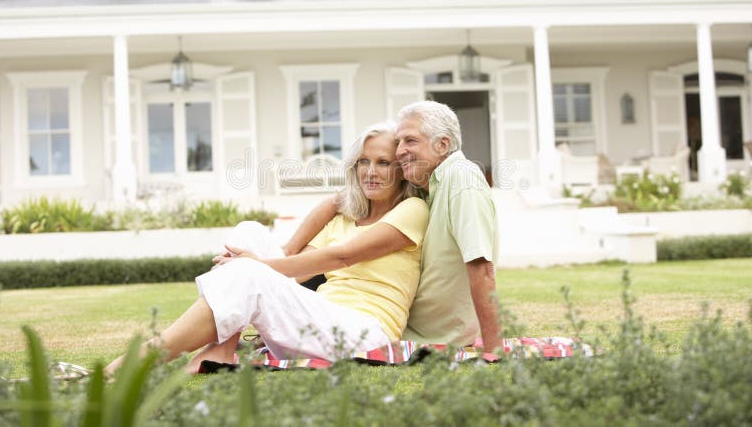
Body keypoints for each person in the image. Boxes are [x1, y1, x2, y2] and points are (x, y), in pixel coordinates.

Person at [104, 122, 428, 374]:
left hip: (364, 335)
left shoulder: (412, 210)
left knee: (250, 270)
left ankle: (135, 363)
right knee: (249, 231)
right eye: (363, 162)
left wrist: (254, 267)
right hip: (321, 324)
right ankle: (223, 348)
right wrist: (331, 204)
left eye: (383, 163)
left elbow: (341, 257)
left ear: (400, 172)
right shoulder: (344, 217)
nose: (371, 172)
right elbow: (293, 261)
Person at [286, 101, 502, 353]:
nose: (400, 151)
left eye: (410, 141)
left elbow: (481, 267)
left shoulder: (461, 179)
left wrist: (493, 348)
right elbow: (346, 198)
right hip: (404, 325)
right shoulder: (432, 187)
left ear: (442, 144)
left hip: (434, 334)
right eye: (398, 143)